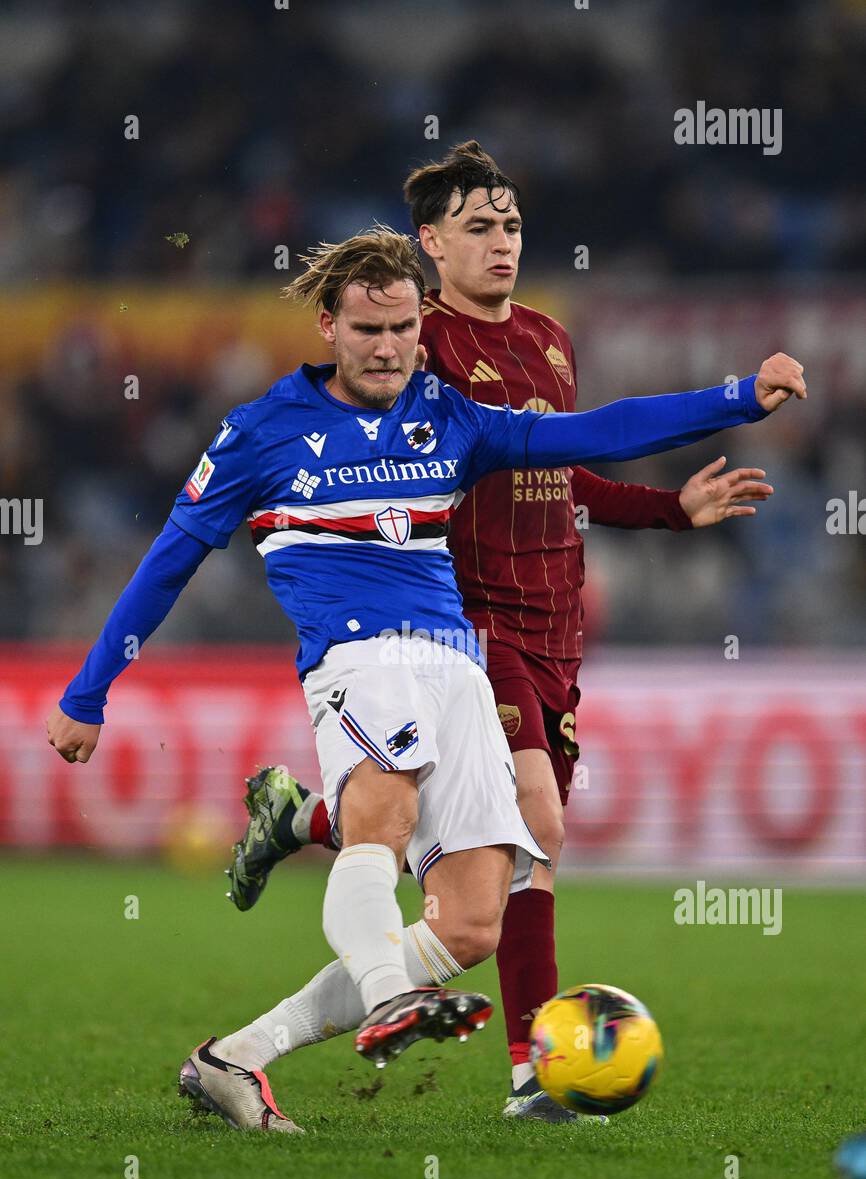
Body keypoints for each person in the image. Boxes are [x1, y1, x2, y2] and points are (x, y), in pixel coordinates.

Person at [46, 227, 805, 1133]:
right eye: (368, 329)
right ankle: (384, 1001)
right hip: (359, 657)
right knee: (383, 814)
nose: (388, 346)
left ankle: (234, 1056)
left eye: (404, 327)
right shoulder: (261, 432)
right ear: (328, 325)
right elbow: (170, 558)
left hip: (458, 670)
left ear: (420, 326)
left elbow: (595, 431)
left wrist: (736, 399)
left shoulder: (451, 417)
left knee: (473, 925)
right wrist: (87, 693)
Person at [226, 143, 784, 1123]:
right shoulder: (414, 342)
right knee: (540, 822)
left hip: (555, 617)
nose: (500, 242)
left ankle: (304, 841)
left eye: (511, 224)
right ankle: (533, 1061)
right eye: (478, 226)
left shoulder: (548, 340)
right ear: (429, 243)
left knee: (506, 872)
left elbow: (560, 464)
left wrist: (666, 510)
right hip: (467, 622)